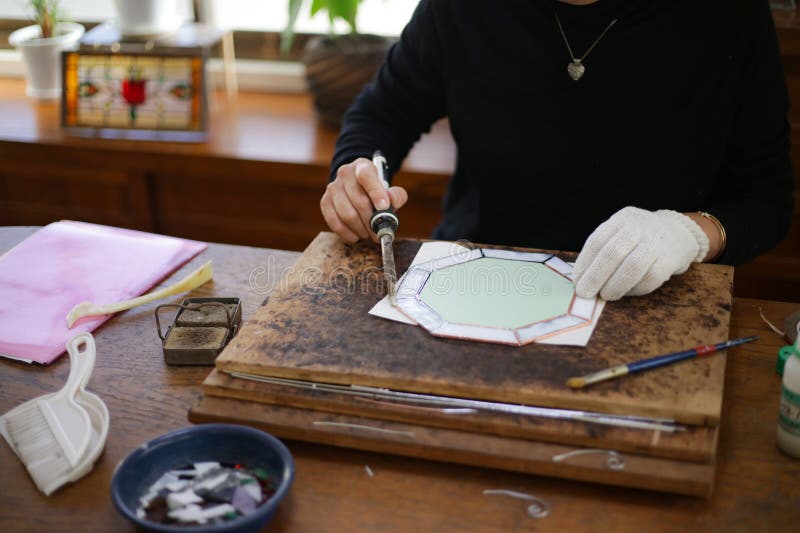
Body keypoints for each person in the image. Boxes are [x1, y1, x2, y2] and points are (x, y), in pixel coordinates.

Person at [320, 0, 794, 301]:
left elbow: (766, 199)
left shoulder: (728, 15)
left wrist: (686, 234)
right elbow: (381, 114)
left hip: (654, 297)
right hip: (478, 280)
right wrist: (358, 172)